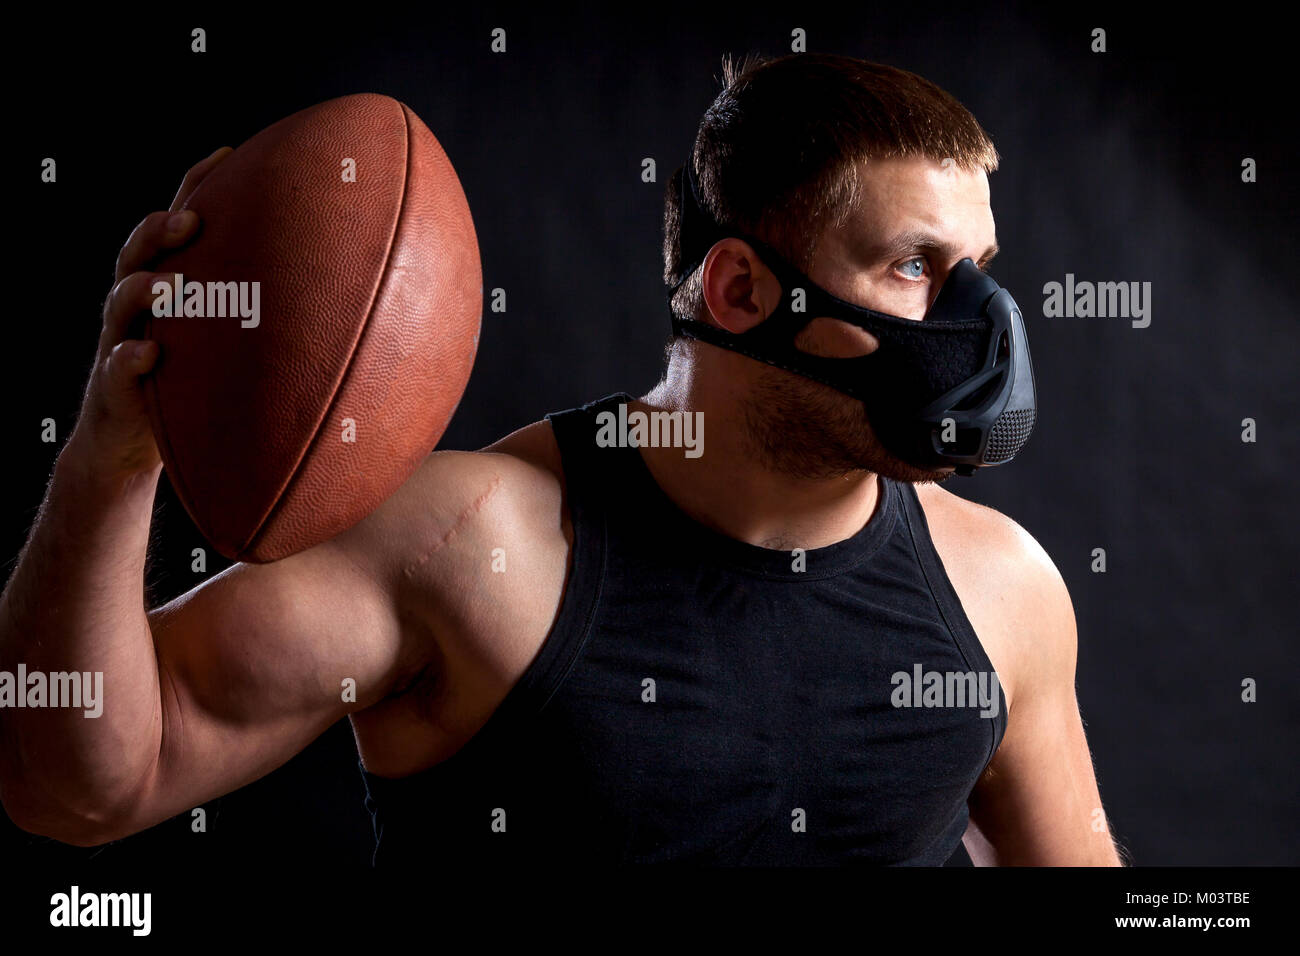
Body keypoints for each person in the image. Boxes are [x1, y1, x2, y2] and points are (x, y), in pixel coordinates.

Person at [0, 52, 1124, 866]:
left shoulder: (1001, 587)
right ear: (738, 291)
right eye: (916, 266)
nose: (978, 320)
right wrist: (114, 460)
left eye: (976, 264)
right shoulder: (466, 544)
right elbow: (80, 784)